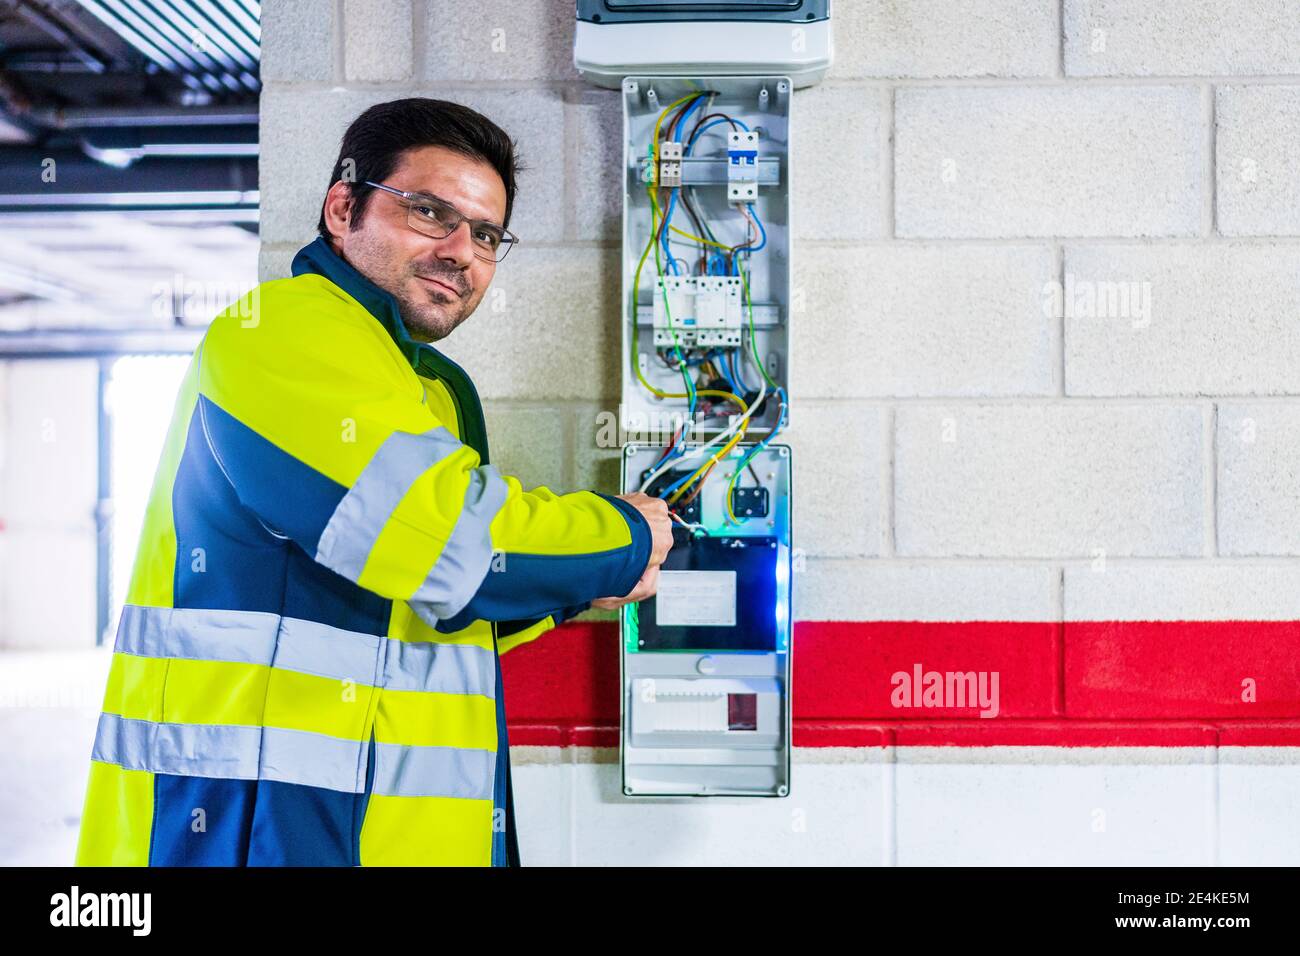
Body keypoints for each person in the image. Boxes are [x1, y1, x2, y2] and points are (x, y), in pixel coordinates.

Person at [75, 97, 672, 867]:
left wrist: (568, 591)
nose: (462, 250)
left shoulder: (413, 384)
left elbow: (406, 599)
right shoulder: (285, 335)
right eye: (431, 213)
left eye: (486, 234)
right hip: (260, 832)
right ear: (342, 207)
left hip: (377, 835)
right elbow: (451, 543)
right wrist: (622, 539)